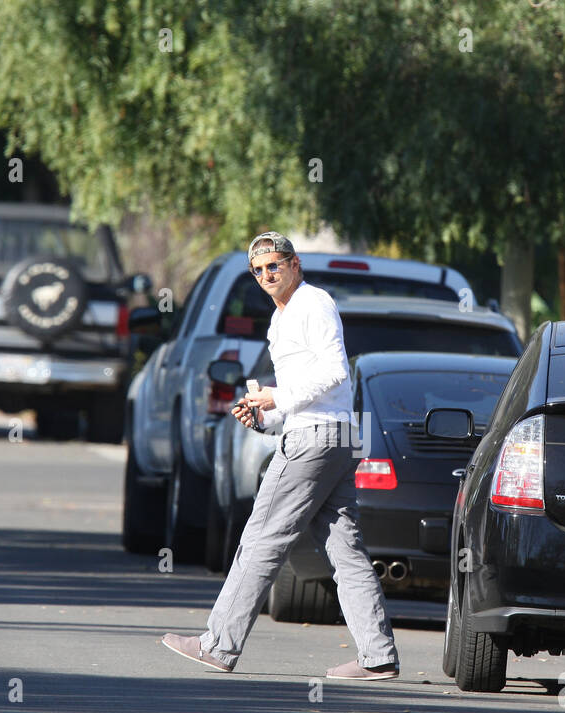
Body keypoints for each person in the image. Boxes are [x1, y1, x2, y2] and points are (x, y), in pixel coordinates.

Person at [162, 231, 400, 680]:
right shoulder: (280, 318)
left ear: (295, 265)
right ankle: (378, 656)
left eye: (275, 265)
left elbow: (333, 371)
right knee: (345, 548)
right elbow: (303, 398)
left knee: (260, 539)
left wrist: (278, 398)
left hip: (318, 440)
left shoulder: (314, 303)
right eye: (259, 270)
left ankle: (217, 645)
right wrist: (264, 417)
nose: (267, 274)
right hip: (334, 437)